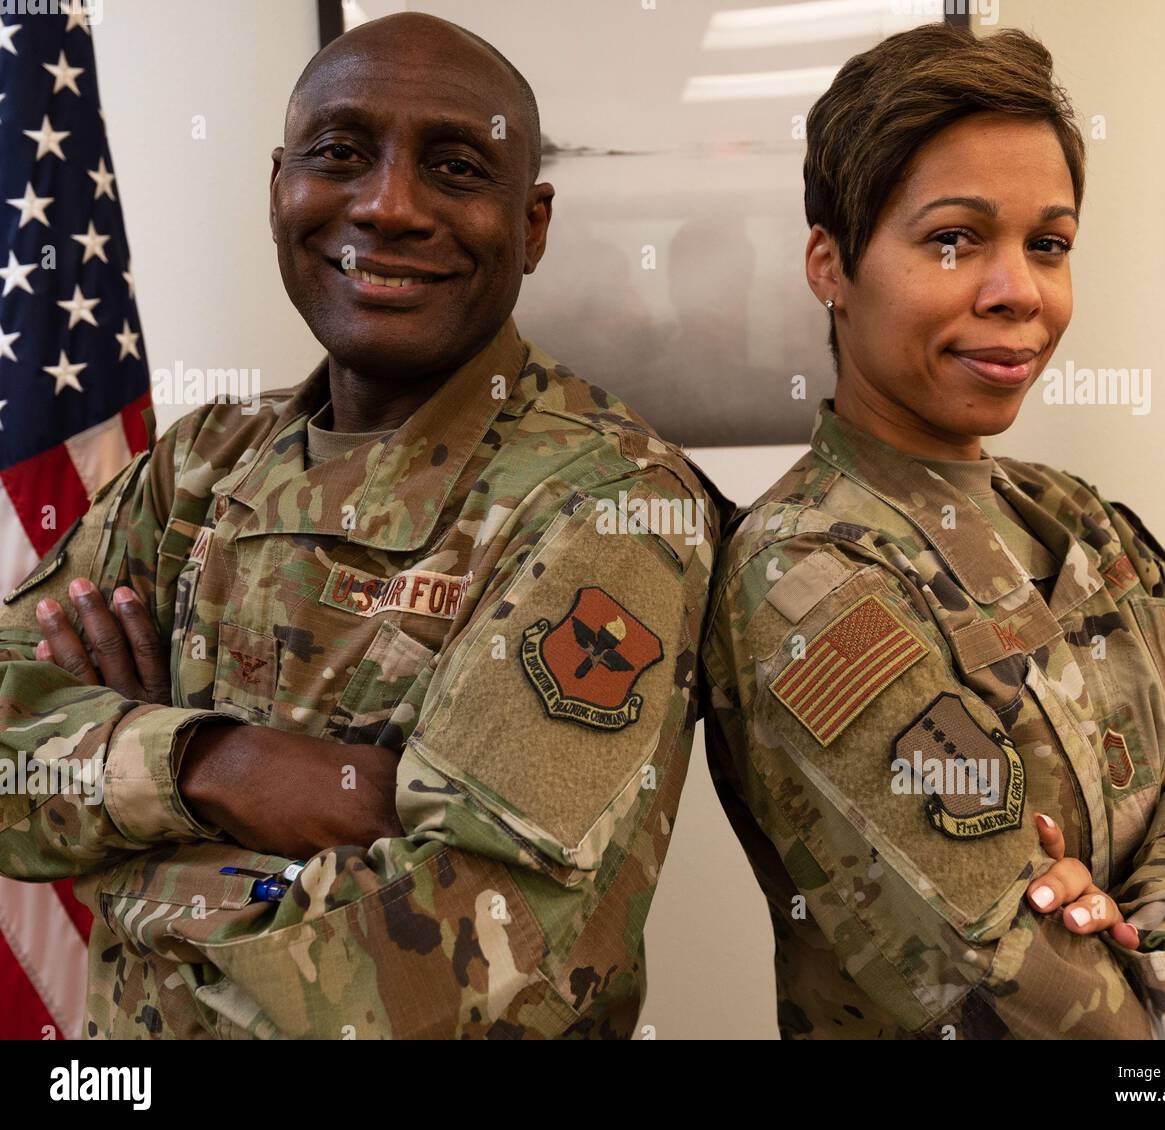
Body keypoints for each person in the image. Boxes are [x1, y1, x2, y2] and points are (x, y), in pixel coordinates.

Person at [0, 12, 718, 1039]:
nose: (388, 206)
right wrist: (211, 764)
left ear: (532, 225)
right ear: (278, 186)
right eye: (340, 153)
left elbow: (457, 970)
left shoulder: (609, 501)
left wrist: (119, 832)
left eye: (458, 168)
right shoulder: (201, 462)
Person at [703, 23, 1165, 1039]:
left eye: (1048, 244)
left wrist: (1164, 882)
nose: (1017, 289)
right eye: (952, 238)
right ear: (830, 264)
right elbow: (1107, 1031)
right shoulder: (805, 578)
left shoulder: (1085, 520)